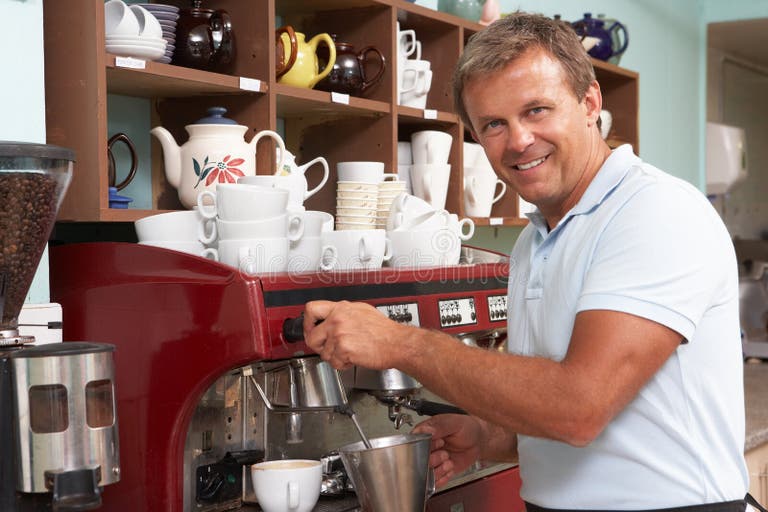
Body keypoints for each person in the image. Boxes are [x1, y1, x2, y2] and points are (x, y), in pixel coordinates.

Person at [303, 11, 750, 510]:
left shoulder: (653, 212)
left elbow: (579, 407)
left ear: (589, 102)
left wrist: (401, 344)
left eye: (536, 110)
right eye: (494, 123)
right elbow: (560, 405)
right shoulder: (533, 241)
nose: (517, 140)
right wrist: (487, 437)